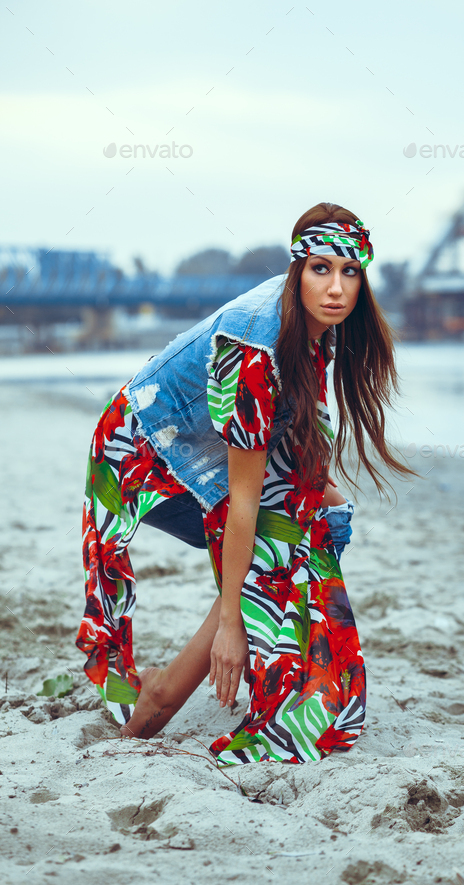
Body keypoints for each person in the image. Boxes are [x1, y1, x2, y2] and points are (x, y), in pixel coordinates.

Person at [76, 202, 418, 765]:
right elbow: (244, 504)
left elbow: (297, 421)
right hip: (147, 450)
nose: (336, 288)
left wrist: (321, 496)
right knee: (268, 543)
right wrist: (232, 623)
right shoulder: (255, 351)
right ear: (297, 270)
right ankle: (155, 705)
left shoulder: (314, 324)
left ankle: (194, 675)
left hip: (209, 440)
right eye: (321, 268)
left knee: (315, 521)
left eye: (350, 272)